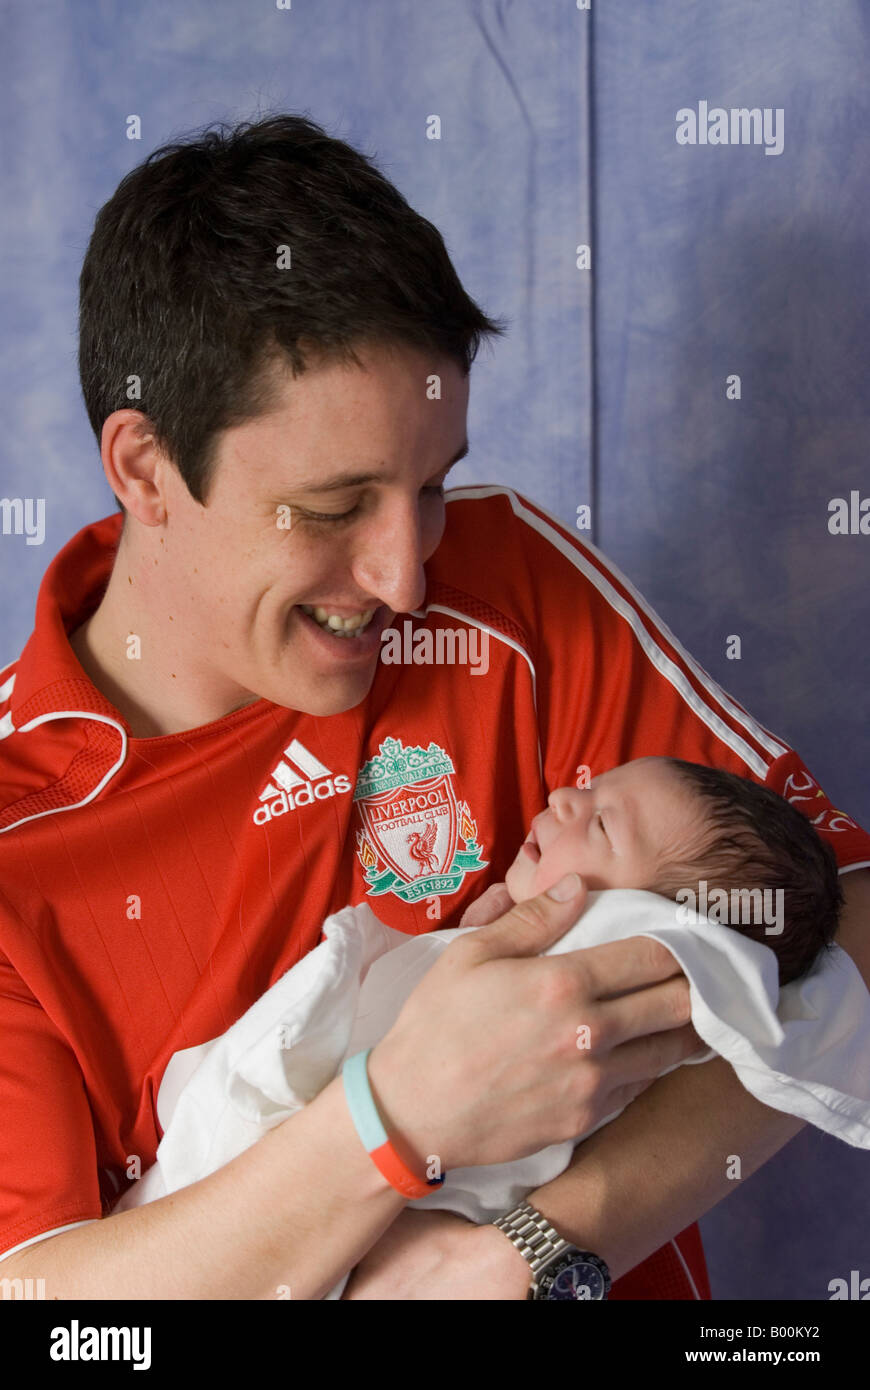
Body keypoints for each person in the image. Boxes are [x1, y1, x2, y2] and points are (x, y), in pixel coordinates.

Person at [1, 114, 868, 1303]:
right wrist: (391, 1117)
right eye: (337, 502)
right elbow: (47, 1306)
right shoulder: (15, 839)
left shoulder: (512, 594)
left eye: (431, 483)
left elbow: (849, 920)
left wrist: (529, 1247)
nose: (405, 577)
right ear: (146, 466)